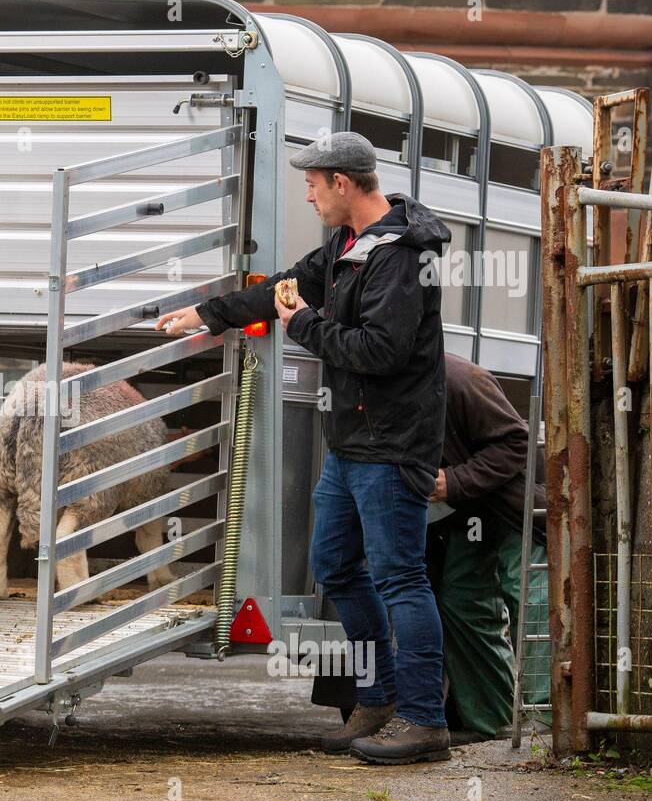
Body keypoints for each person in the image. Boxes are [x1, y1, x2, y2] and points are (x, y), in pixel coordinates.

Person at [157, 131, 452, 764]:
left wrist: (303, 326)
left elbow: (379, 350)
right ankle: (377, 697)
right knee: (337, 566)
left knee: (401, 575)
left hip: (393, 443)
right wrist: (208, 314)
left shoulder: (400, 256)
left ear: (343, 184)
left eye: (314, 184)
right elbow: (288, 287)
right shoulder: (348, 245)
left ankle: (426, 720)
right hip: (352, 444)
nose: (309, 195)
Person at [426, 353, 548, 738]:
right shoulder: (391, 385)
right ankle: (495, 721)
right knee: (461, 600)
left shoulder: (462, 379)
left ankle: (542, 719)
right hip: (470, 513)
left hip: (516, 508)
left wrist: (454, 481)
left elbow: (517, 443)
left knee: (528, 593)